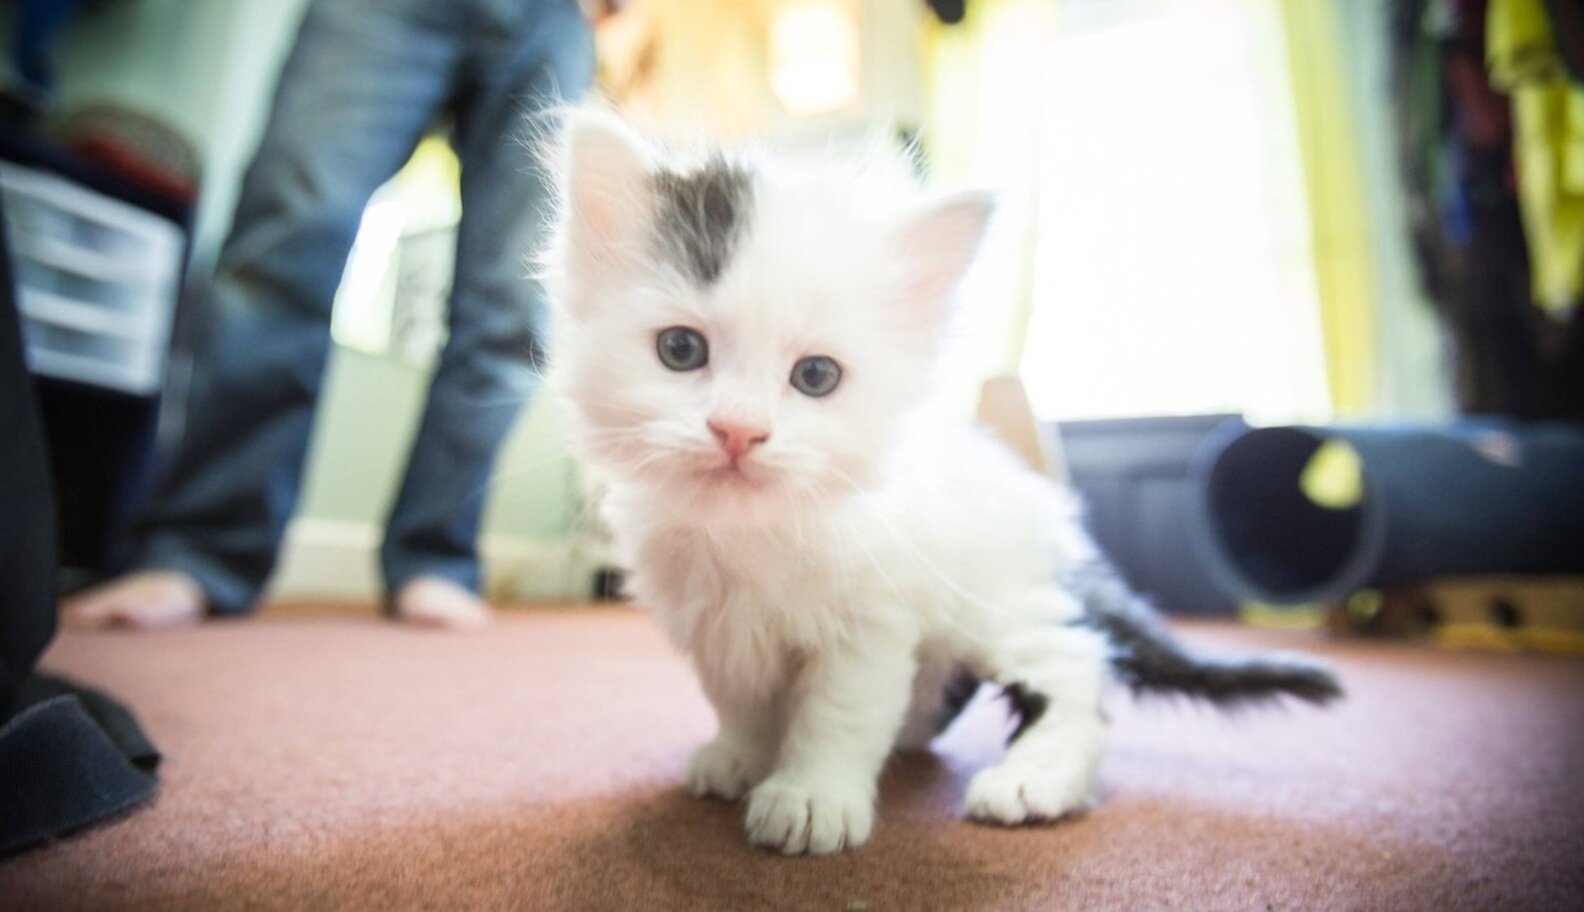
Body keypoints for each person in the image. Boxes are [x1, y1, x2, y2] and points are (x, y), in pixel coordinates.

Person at [63, 0, 594, 632]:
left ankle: (438, 557)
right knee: (291, 231)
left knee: (511, 298)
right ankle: (203, 548)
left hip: (553, 15)